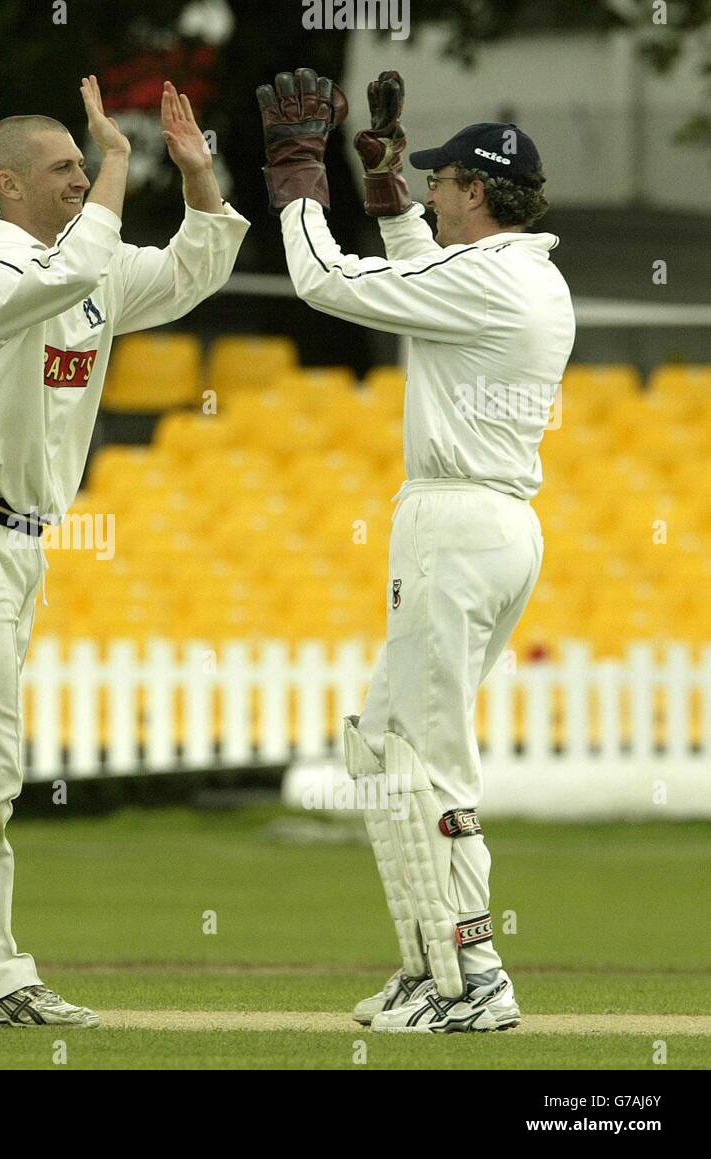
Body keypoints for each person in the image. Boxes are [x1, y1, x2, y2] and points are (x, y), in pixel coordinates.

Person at [0, 75, 247, 1027]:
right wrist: (126, 164)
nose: (81, 180)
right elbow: (76, 271)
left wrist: (198, 176)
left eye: (85, 167)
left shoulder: (86, 276)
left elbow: (190, 272)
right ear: (6, 186)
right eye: (63, 169)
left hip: (12, 541)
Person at [256, 68, 574, 1031]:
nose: (429, 190)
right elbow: (426, 283)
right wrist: (390, 193)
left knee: (427, 757)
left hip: (457, 522)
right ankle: (431, 964)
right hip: (488, 520)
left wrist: (299, 168)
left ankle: (478, 978)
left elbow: (322, 283)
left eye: (439, 180)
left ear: (477, 192)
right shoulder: (520, 272)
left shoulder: (488, 277)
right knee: (386, 752)